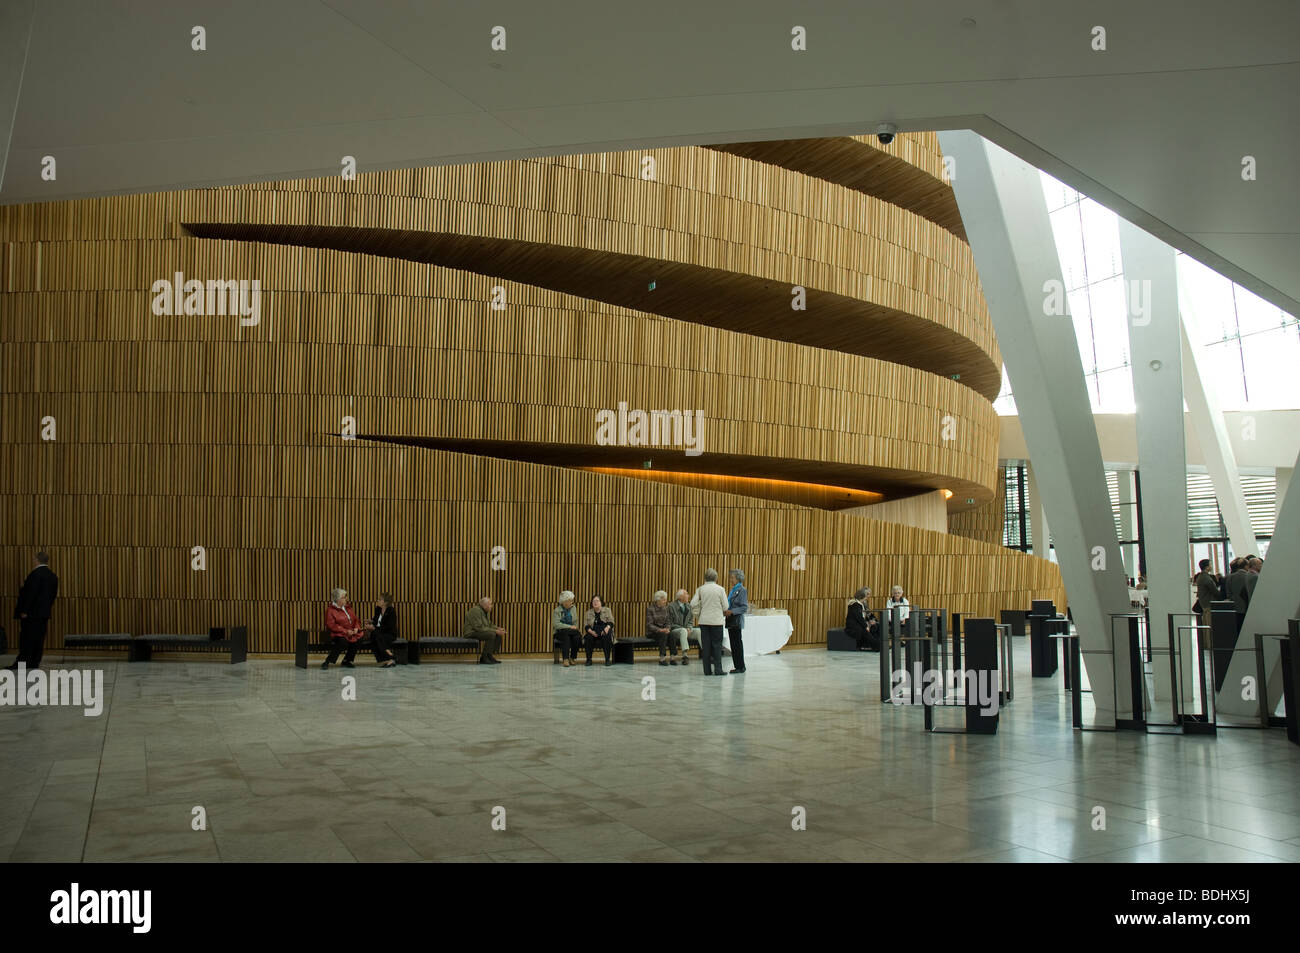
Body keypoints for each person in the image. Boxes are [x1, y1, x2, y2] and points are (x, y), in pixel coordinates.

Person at [7, 551, 59, 671]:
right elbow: (52, 595)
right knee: (39, 638)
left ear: (36, 560)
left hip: (31, 614)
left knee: (27, 639)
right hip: (44, 613)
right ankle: (35, 662)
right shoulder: (52, 576)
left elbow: (30, 594)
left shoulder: (35, 575)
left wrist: (24, 610)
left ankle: (22, 664)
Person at [691, 569, 729, 676]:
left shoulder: (700, 589)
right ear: (716, 578)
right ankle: (718, 669)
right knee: (717, 645)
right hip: (717, 621)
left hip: (704, 621)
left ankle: (707, 670)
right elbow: (726, 606)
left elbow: (693, 603)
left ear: (705, 578)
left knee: (706, 645)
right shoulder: (720, 589)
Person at [322, 588, 365, 669]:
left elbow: (356, 620)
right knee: (342, 642)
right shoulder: (330, 610)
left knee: (359, 639)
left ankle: (347, 660)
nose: (346, 599)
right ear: (338, 599)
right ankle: (327, 661)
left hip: (351, 633)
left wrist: (356, 628)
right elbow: (331, 625)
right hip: (338, 633)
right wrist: (345, 631)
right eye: (344, 597)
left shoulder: (348, 608)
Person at [463, 597, 505, 664]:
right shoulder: (476, 611)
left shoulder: (485, 612)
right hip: (471, 632)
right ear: (485, 605)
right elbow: (478, 627)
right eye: (490, 604)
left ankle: (489, 655)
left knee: (498, 635)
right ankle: (484, 658)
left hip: (478, 631)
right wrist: (495, 631)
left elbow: (489, 624)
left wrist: (497, 628)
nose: (491, 606)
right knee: (491, 634)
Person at [725, 569, 749, 674]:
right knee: (733, 645)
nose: (731, 580)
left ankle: (741, 666)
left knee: (737, 644)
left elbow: (744, 607)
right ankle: (737, 666)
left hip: (736, 620)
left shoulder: (742, 590)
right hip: (730, 620)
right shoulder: (733, 590)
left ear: (738, 578)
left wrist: (732, 611)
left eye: (732, 578)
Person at [368, 593, 399, 667]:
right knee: (374, 637)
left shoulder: (391, 611)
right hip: (378, 633)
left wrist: (374, 628)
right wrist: (371, 622)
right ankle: (389, 657)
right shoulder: (378, 609)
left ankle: (390, 658)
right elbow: (375, 621)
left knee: (376, 637)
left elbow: (389, 627)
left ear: (385, 602)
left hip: (389, 634)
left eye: (380, 599)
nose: (377, 600)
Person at [551, 591, 581, 668]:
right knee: (566, 636)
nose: (571, 602)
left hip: (571, 631)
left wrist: (573, 627)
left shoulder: (573, 608)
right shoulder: (557, 610)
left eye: (572, 600)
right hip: (559, 632)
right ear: (564, 602)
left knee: (577, 636)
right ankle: (565, 659)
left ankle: (572, 658)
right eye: (569, 600)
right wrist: (569, 627)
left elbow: (575, 622)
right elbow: (556, 624)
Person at [583, 595, 615, 666]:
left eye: (597, 601)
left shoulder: (607, 610)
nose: (595, 602)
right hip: (593, 632)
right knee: (588, 637)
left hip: (604, 631)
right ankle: (589, 660)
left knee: (607, 636)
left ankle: (607, 659)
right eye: (594, 601)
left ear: (601, 602)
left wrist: (607, 628)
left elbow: (611, 622)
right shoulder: (588, 613)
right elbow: (586, 626)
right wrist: (591, 632)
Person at [1226, 560, 1257, 634]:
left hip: (1235, 607)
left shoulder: (1231, 577)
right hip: (1247, 606)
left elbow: (1229, 593)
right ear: (1246, 566)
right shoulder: (1250, 576)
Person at [667, 589, 696, 665]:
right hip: (675, 630)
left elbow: (691, 620)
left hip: (686, 629)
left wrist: (689, 627)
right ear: (680, 597)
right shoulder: (671, 606)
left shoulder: (688, 606)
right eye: (686, 594)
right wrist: (685, 629)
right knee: (683, 631)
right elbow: (670, 622)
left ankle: (708, 654)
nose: (688, 595)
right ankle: (685, 656)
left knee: (699, 631)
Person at [846, 587, 880, 651]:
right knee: (864, 631)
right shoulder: (854, 604)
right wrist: (866, 625)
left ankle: (873, 645)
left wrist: (872, 621)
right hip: (854, 626)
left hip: (860, 623)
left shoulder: (862, 603)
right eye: (867, 595)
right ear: (862, 596)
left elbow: (868, 614)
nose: (868, 597)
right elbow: (858, 617)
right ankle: (877, 646)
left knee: (876, 626)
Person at [645, 591, 673, 665]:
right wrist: (660, 630)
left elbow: (668, 621)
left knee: (672, 634)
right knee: (663, 635)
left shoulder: (666, 608)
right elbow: (649, 625)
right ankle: (662, 659)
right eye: (663, 600)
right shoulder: (650, 609)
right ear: (658, 600)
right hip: (652, 632)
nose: (665, 601)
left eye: (665, 599)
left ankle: (672, 657)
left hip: (664, 630)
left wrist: (668, 628)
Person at [1193, 560, 1218, 634]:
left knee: (1206, 625)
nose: (1211, 566)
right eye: (1210, 564)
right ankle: (1209, 644)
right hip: (1208, 604)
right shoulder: (1206, 578)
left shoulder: (1201, 577)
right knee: (1209, 626)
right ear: (1207, 567)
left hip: (1204, 603)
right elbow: (1215, 591)